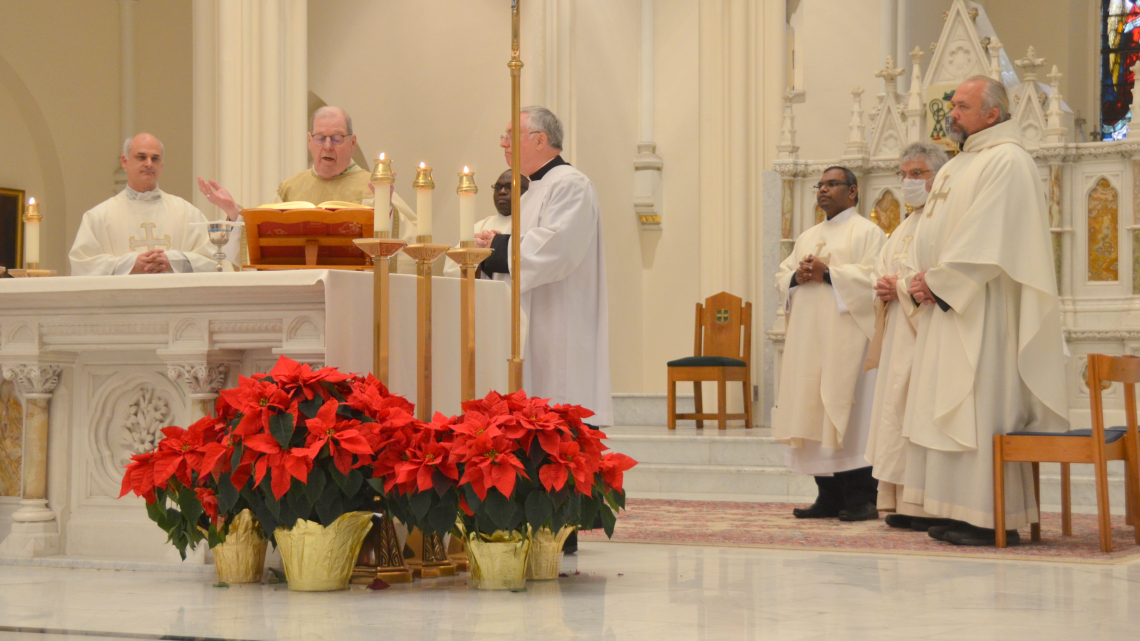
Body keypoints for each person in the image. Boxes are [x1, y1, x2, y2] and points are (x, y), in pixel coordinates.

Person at [903, 76, 1069, 546]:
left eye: (961, 106)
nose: (950, 114)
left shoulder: (1008, 161)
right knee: (951, 405)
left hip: (984, 306)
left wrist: (939, 282)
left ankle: (991, 516)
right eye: (951, 105)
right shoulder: (964, 163)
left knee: (979, 405)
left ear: (992, 114)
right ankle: (959, 510)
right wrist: (922, 276)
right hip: (950, 303)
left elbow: (988, 236)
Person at [478, 106, 613, 428]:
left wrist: (496, 248)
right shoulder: (529, 191)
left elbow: (557, 247)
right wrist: (491, 245)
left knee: (557, 402)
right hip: (530, 320)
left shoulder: (570, 184)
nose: (503, 144)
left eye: (511, 136)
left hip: (559, 321)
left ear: (540, 140)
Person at [773, 166, 886, 522]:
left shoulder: (869, 232)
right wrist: (797, 276)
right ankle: (828, 496)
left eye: (832, 184)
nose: (823, 190)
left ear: (852, 192)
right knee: (811, 413)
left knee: (848, 417)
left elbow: (874, 279)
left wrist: (830, 274)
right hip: (809, 339)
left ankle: (861, 498)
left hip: (847, 341)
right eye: (820, 185)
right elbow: (782, 274)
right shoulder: (808, 235)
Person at [196, 106, 417, 267]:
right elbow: (258, 244)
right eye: (321, 138)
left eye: (337, 138)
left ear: (352, 142)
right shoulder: (290, 189)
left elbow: (412, 244)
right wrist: (234, 213)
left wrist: (385, 210)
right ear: (309, 141)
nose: (328, 146)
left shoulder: (372, 186)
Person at [864, 142, 950, 532]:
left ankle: (926, 503)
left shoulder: (945, 219)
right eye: (904, 175)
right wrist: (882, 287)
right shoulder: (903, 226)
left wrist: (897, 286)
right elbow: (884, 271)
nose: (909, 182)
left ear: (939, 176)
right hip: (899, 328)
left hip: (928, 331)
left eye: (918, 174)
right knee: (894, 412)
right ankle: (900, 499)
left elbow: (940, 275)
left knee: (917, 411)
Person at [69, 134, 217, 276]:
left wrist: (173, 261)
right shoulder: (98, 217)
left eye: (155, 159)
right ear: (124, 161)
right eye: (141, 157)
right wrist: (129, 265)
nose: (148, 164)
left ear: (161, 166)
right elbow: (81, 266)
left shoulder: (188, 213)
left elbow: (215, 262)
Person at [443, 169, 529, 278]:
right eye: (497, 188)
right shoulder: (480, 227)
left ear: (528, 192)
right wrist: (476, 258)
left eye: (510, 187)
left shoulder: (531, 224)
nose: (502, 191)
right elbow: (450, 270)